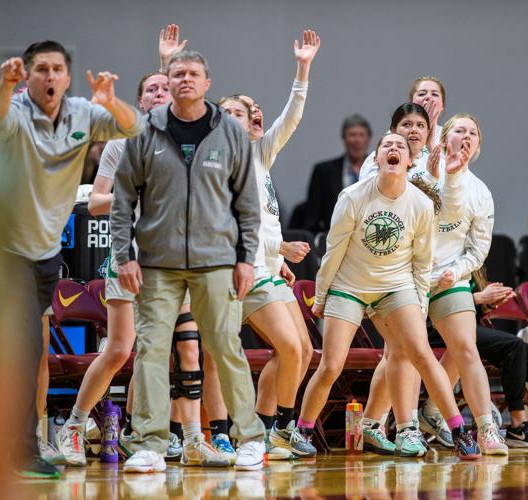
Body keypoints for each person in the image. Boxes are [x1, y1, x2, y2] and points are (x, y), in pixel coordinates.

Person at [0, 40, 142, 478]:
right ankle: (14, 449)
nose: (49, 76)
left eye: (56, 69)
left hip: (46, 253)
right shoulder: (15, 108)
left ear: (68, 78)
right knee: (21, 349)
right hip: (6, 250)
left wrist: (111, 102)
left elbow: (135, 127)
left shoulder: (82, 113)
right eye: (41, 69)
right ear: (29, 76)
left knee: (27, 351)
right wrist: (4, 83)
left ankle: (20, 444)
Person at [112, 49, 268, 472]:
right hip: (157, 264)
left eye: (193, 74)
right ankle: (150, 444)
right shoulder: (144, 131)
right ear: (168, 79)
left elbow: (248, 204)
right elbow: (123, 199)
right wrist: (123, 256)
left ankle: (251, 438)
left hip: (217, 261)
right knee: (150, 350)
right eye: (177, 73)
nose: (185, 79)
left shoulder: (230, 133)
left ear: (206, 83)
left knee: (225, 349)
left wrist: (246, 259)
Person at [297, 132, 481, 459]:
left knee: (420, 353)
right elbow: (333, 251)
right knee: (331, 365)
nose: (394, 149)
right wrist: (322, 296)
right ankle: (301, 430)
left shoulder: (422, 204)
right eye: (387, 146)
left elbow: (422, 262)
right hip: (350, 285)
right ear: (377, 159)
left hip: (395, 286)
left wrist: (419, 302)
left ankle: (458, 430)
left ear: (410, 161)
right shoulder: (353, 196)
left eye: (401, 147)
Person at [217, 29, 320, 459]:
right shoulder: (214, 160)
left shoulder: (260, 157)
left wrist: (303, 68)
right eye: (238, 112)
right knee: (286, 348)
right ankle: (260, 430)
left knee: (301, 350)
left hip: (266, 267)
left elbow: (291, 117)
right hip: (233, 272)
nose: (250, 116)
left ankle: (264, 428)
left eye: (251, 111)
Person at [301, 114, 372, 233]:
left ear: (368, 140)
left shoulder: (380, 170)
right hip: (335, 237)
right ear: (344, 139)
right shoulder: (323, 171)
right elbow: (312, 217)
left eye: (361, 135)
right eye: (352, 135)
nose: (357, 140)